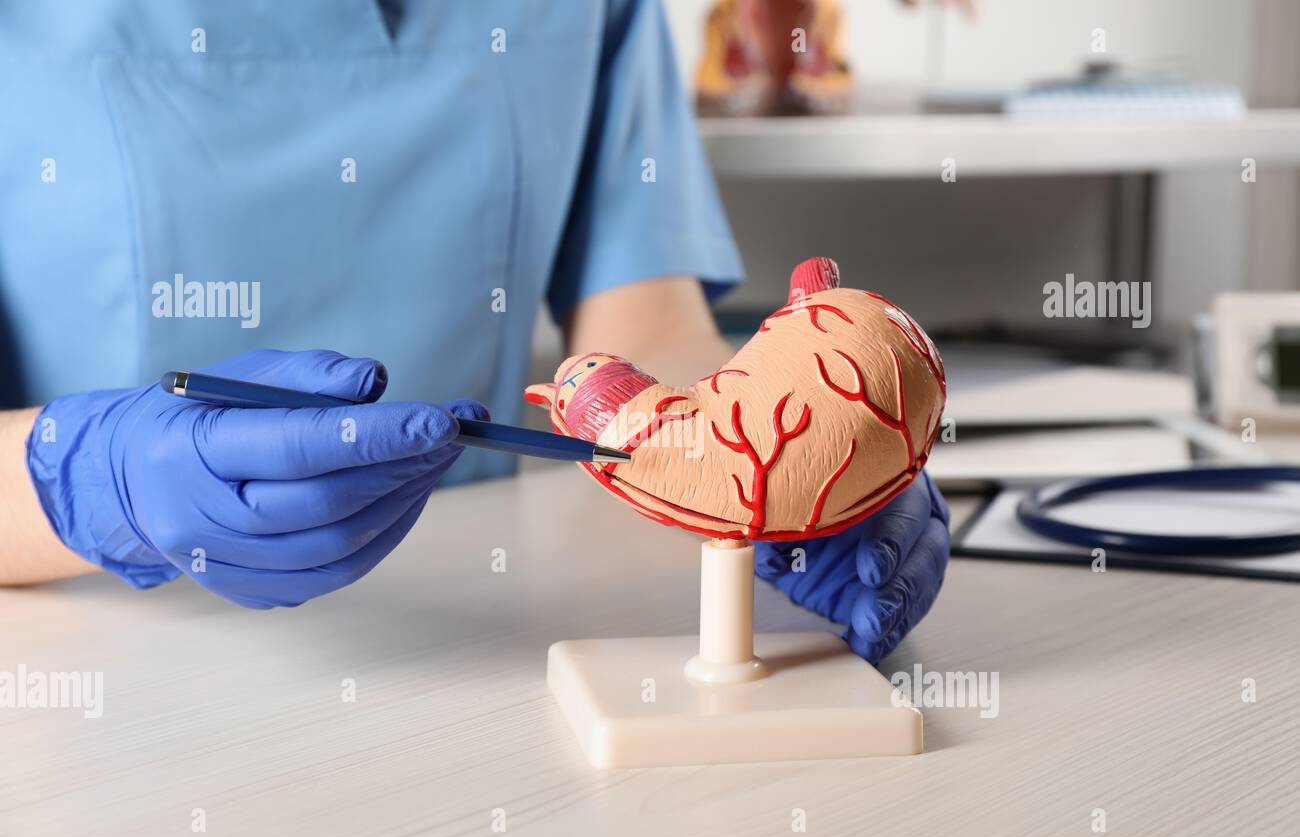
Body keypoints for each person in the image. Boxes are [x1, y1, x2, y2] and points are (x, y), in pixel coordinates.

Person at [0, 0, 947, 664]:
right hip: (86, 668)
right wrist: (88, 476)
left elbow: (652, 328)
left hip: (490, 647)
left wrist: (789, 445)